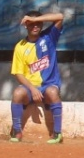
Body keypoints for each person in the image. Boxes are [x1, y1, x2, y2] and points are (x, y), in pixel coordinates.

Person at [8, 10, 65, 144]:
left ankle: (57, 133)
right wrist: (32, 89)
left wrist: (34, 19)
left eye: (38, 24)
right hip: (30, 88)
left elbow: (60, 17)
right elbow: (18, 73)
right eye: (31, 24)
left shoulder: (49, 37)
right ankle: (17, 131)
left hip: (48, 85)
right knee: (17, 93)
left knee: (52, 92)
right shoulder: (20, 47)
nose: (35, 26)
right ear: (26, 26)